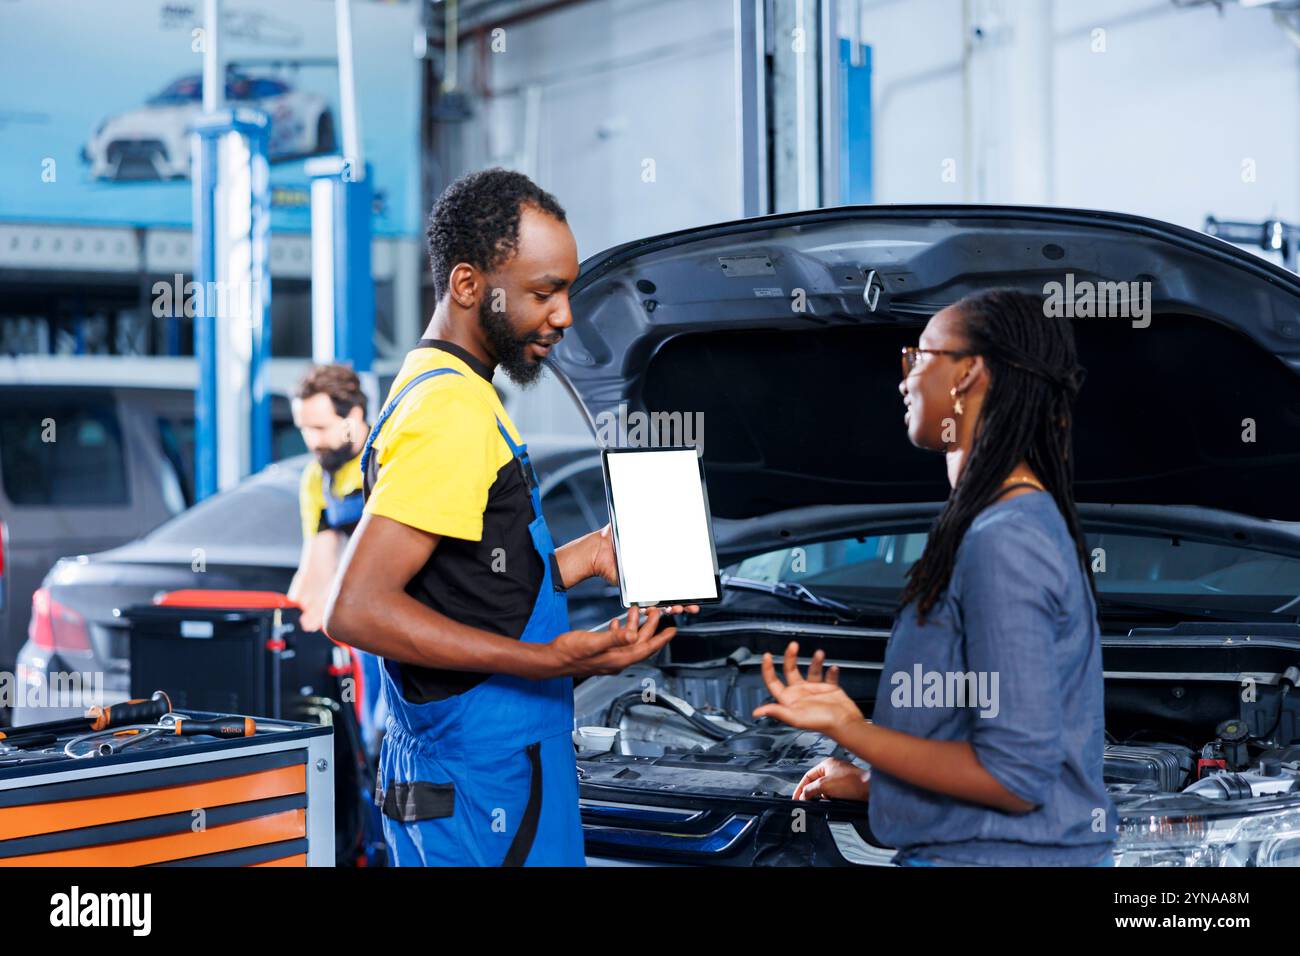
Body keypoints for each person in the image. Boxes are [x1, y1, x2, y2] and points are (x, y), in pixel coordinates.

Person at [324, 168, 694, 867]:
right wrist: (543, 659)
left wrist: (580, 557)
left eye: (566, 291)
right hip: (484, 783)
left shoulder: (446, 388)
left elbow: (457, 579)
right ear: (469, 286)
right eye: (543, 292)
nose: (564, 316)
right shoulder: (452, 413)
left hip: (484, 770)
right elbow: (356, 609)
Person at [753, 287, 1117, 866]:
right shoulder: (1010, 522)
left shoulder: (1005, 540)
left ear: (969, 372)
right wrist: (883, 787)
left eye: (917, 357)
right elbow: (991, 752)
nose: (904, 379)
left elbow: (1016, 778)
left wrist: (851, 728)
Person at [287, 363, 385, 749]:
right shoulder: (318, 478)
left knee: (387, 732)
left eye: (321, 429)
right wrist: (289, 622)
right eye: (304, 430)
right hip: (357, 626)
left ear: (354, 416)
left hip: (399, 622)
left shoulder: (389, 461)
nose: (311, 441)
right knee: (358, 740)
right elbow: (316, 564)